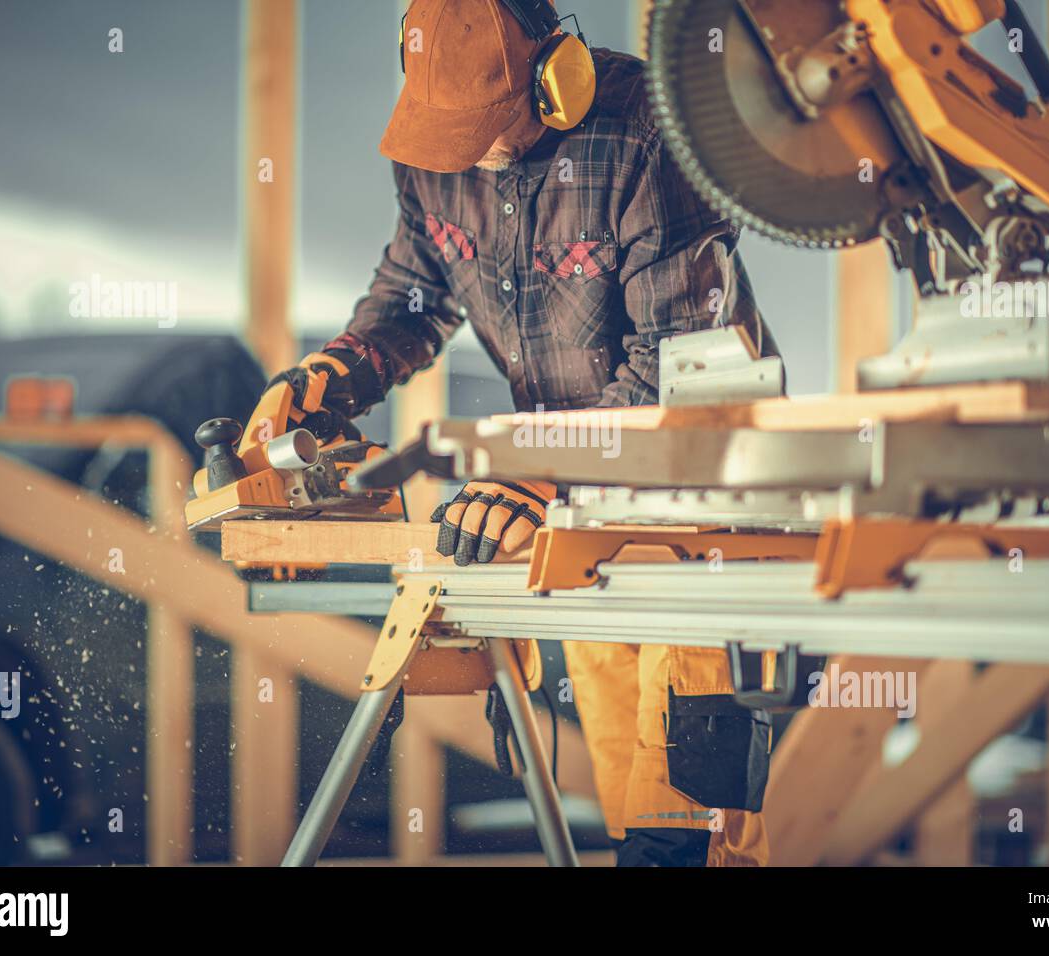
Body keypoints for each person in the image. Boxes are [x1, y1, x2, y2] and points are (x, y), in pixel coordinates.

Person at [261, 0, 781, 866]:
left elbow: (681, 364)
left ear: (558, 77)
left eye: (488, 130)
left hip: (701, 506)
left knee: (690, 825)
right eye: (452, 132)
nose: (471, 153)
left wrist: (536, 470)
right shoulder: (435, 158)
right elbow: (413, 296)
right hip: (574, 514)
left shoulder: (647, 130)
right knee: (630, 799)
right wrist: (331, 377)